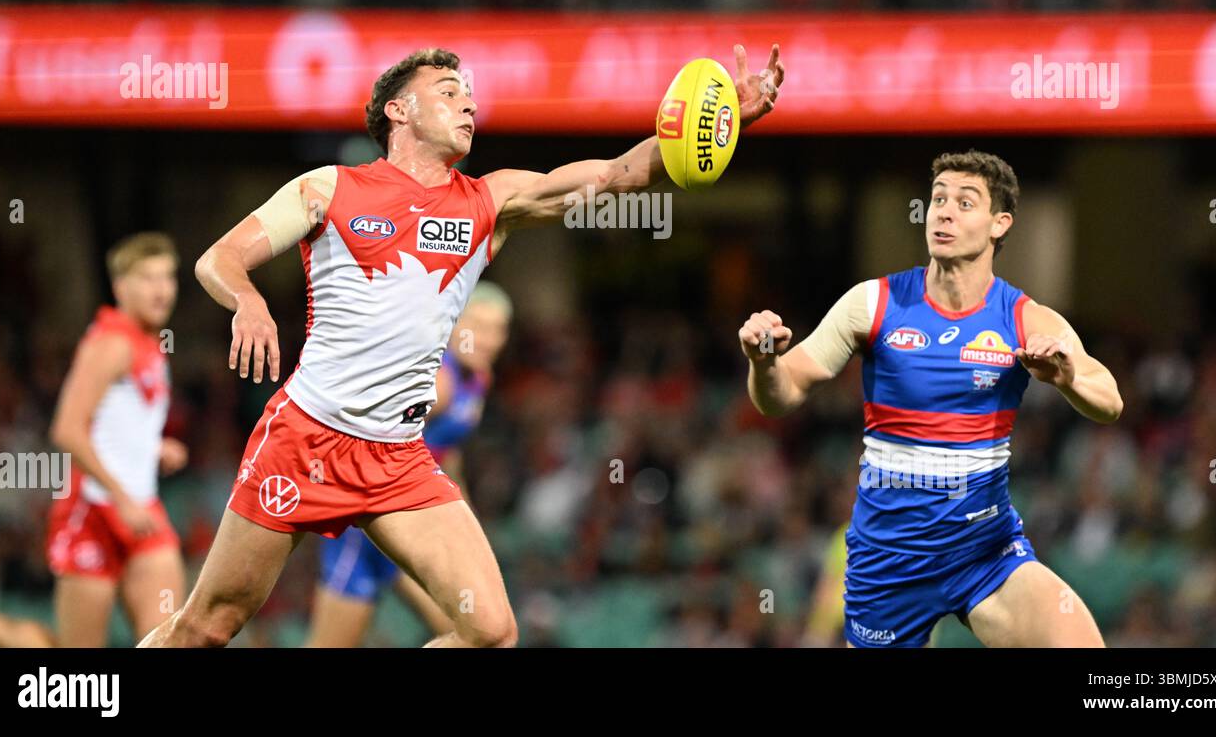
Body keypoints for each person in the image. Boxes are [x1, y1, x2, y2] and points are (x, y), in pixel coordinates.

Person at [141, 43, 783, 647]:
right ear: (399, 110)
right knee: (206, 627)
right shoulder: (330, 187)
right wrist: (247, 300)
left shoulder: (490, 200)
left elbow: (619, 174)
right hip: (305, 436)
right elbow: (218, 259)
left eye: (470, 94)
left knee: (493, 633)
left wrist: (720, 125)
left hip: (398, 459)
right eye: (449, 91)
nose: (468, 103)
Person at [739, 150, 1123, 648]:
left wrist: (1067, 377)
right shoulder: (873, 303)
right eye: (938, 199)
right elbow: (781, 395)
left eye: (965, 203)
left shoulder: (1024, 317)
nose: (943, 211)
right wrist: (764, 361)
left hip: (984, 552)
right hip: (887, 563)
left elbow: (1110, 400)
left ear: (999, 224)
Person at [306, 282, 513, 646]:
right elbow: (366, 438)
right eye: (478, 326)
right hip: (370, 527)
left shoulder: (476, 377)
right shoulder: (439, 383)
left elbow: (445, 453)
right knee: (483, 633)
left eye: (498, 329)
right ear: (451, 323)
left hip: (403, 522)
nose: (489, 339)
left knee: (482, 633)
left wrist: (463, 515)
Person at [47, 232, 188, 646]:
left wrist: (153, 449)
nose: (161, 289)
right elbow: (66, 429)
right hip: (91, 511)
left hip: (140, 510)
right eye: (148, 277)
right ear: (120, 286)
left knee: (170, 639)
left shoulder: (147, 343)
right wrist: (121, 497)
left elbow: (114, 425)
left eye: (168, 277)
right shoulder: (111, 343)